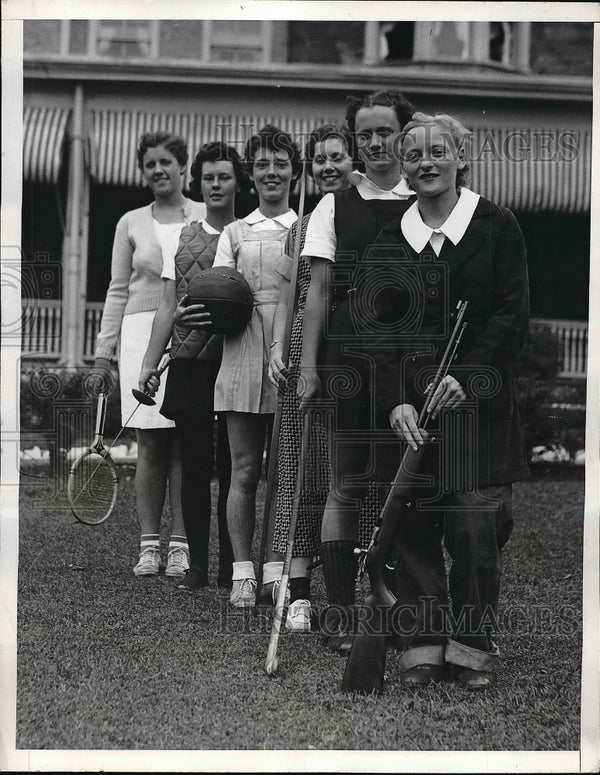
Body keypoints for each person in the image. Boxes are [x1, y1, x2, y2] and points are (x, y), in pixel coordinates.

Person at [363, 112, 529, 689]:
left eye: (439, 151)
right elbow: (377, 335)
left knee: (474, 526)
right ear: (402, 168)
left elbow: (511, 317)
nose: (426, 163)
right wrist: (393, 403)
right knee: (412, 532)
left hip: (479, 415)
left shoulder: (497, 226)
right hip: (413, 421)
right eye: (414, 156)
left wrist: (471, 376)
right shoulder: (389, 241)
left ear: (462, 156)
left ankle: (471, 646)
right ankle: (424, 643)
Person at [298, 89, 416, 651]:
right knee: (347, 484)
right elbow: (318, 290)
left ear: (404, 134)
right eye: (364, 134)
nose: (374, 142)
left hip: (413, 354)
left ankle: (396, 608)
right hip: (348, 351)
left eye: (384, 132)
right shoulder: (333, 204)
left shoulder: (428, 194)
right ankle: (342, 612)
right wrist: (308, 366)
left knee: (401, 486)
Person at [139, 141, 249, 591]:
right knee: (194, 466)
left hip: (238, 360)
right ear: (197, 183)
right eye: (208, 178)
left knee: (234, 468)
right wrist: (150, 363)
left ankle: (232, 566)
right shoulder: (179, 237)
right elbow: (167, 305)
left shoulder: (249, 233)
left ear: (238, 182)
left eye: (224, 176)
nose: (216, 184)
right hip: (189, 363)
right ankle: (199, 565)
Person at [94, 131, 205, 578]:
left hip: (194, 334)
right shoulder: (130, 222)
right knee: (151, 444)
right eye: (149, 165)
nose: (158, 171)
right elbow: (118, 289)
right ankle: (149, 545)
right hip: (141, 333)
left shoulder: (203, 213)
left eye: (166, 163)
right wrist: (104, 352)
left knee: (185, 441)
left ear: (182, 167)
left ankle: (180, 544)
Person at [267, 124, 354, 632]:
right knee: (301, 464)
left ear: (354, 161)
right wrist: (279, 348)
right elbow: (285, 296)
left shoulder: (372, 218)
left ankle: (355, 579)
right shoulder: (301, 228)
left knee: (352, 468)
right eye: (318, 159)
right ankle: (297, 588)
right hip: (306, 348)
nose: (327, 167)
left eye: (336, 157)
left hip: (357, 348)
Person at [211, 125, 300, 608]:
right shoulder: (233, 233)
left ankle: (277, 572)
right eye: (262, 164)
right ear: (251, 172)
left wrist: (287, 344)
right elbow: (218, 295)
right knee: (244, 469)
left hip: (292, 351)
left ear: (292, 170)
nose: (271, 172)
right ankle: (243, 571)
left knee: (285, 473)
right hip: (243, 348)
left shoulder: (307, 228)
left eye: (280, 163)